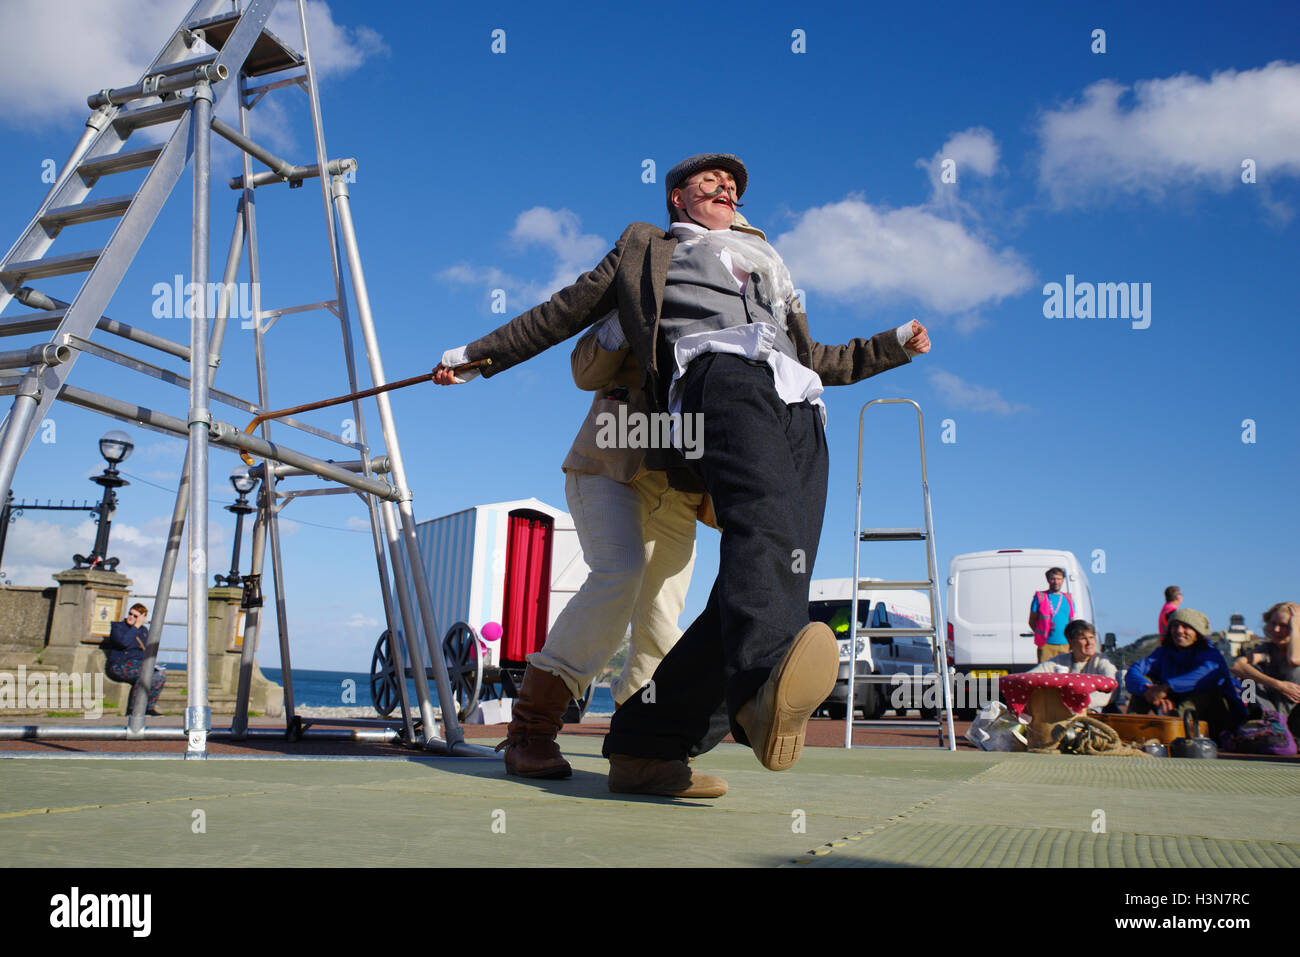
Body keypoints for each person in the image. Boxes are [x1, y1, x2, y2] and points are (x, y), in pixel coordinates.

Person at [435, 153, 930, 797]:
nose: (726, 187)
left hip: (682, 471)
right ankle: (533, 728)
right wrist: (476, 355)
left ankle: (648, 746)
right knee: (619, 577)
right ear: (676, 197)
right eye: (709, 181)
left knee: (670, 616)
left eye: (735, 185)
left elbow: (812, 357)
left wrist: (891, 345)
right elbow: (566, 324)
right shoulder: (648, 255)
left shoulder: (764, 272)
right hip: (618, 460)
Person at [1124, 607, 1245, 738]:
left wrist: (1166, 688)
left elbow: (1203, 676)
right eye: (1175, 626)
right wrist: (1148, 690)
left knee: (1207, 692)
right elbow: (1134, 671)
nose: (1179, 631)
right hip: (1171, 706)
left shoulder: (1210, 654)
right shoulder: (1163, 653)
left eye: (1186, 626)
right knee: (1144, 684)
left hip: (1215, 718)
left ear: (1198, 631)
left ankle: (1174, 729)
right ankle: (1130, 732)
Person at [1231, 601, 1300, 735]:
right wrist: (1279, 685)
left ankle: (1285, 727)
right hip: (1271, 709)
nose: (1276, 630)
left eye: (1284, 626)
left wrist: (1295, 628)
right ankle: (1255, 716)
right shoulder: (1267, 648)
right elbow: (1236, 666)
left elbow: (1294, 659)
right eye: (1273, 624)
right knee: (1248, 676)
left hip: (1295, 711)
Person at [1028, 619, 1117, 711]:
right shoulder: (1059, 661)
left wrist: (1079, 703)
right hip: (1062, 713)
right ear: (1070, 642)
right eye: (1083, 639)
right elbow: (1031, 677)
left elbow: (1112, 689)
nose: (1089, 643)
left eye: (1091, 637)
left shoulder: (1102, 662)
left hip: (1094, 714)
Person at [102, 603, 166, 715]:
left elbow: (147, 648)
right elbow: (123, 643)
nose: (131, 617)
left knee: (160, 675)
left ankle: (148, 707)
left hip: (139, 664)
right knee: (144, 673)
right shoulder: (118, 627)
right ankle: (134, 709)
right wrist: (136, 627)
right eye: (130, 614)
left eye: (135, 616)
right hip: (120, 665)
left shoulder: (144, 631)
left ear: (143, 617)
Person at [1028, 567, 1074, 662]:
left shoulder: (1068, 598)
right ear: (1048, 580)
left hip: (1065, 646)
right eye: (1053, 579)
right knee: (1045, 675)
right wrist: (1041, 635)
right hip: (1046, 646)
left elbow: (1072, 623)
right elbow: (1032, 621)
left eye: (1059, 579)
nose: (1056, 582)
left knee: (1064, 675)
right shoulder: (1040, 597)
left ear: (1062, 580)